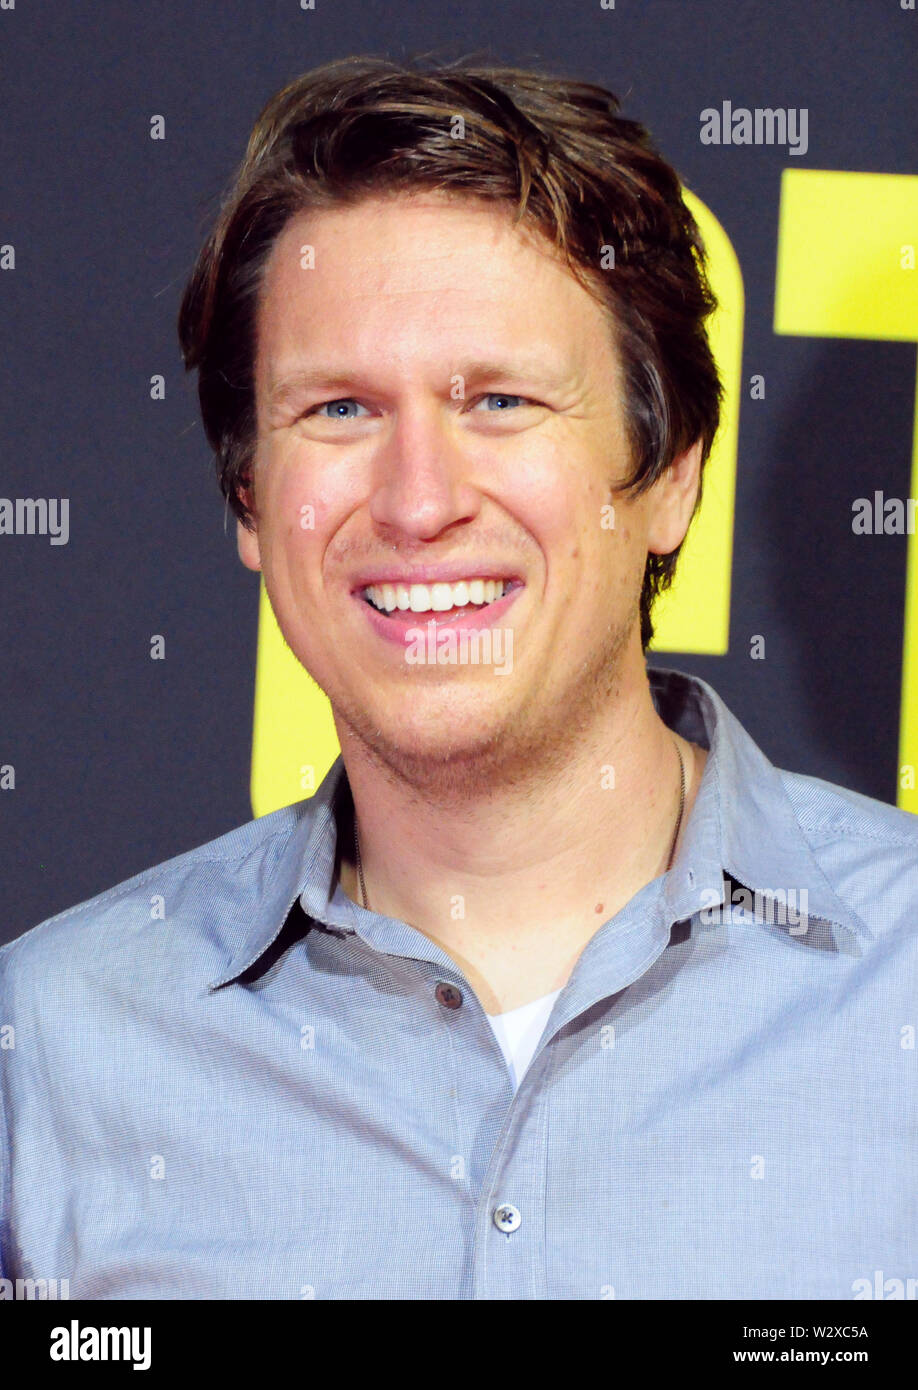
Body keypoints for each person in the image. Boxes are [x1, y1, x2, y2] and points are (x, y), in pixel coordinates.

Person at [1, 55, 915, 1301]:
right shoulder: (48, 1053)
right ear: (250, 500)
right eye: (337, 410)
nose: (418, 500)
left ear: (671, 476)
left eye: (497, 398)